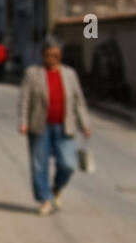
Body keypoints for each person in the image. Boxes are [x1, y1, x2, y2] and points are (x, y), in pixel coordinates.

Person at [19, 37, 91, 216]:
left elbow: (78, 101)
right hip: (39, 125)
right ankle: (44, 199)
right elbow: (24, 100)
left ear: (60, 55)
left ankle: (56, 188)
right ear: (42, 55)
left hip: (64, 126)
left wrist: (85, 124)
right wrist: (23, 121)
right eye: (48, 55)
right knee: (39, 165)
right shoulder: (32, 73)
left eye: (56, 55)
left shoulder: (69, 74)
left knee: (68, 164)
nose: (52, 58)